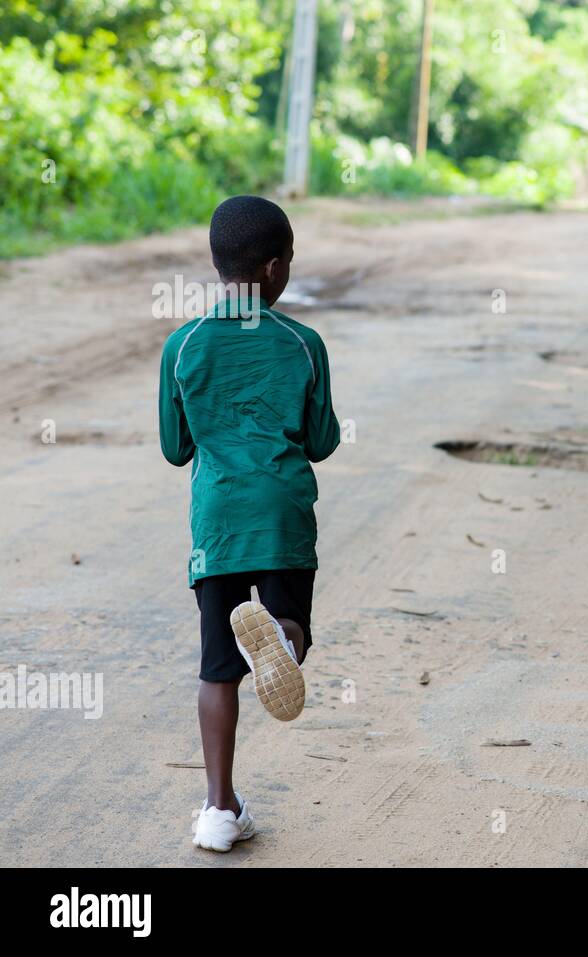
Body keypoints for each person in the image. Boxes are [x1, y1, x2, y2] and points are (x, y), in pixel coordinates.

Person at [159, 195, 341, 852]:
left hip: (219, 521)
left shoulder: (183, 347)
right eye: (289, 260)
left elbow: (176, 447)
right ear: (271, 268)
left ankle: (218, 809)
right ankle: (283, 641)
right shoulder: (302, 342)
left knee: (215, 669)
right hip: (283, 513)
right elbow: (320, 439)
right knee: (292, 624)